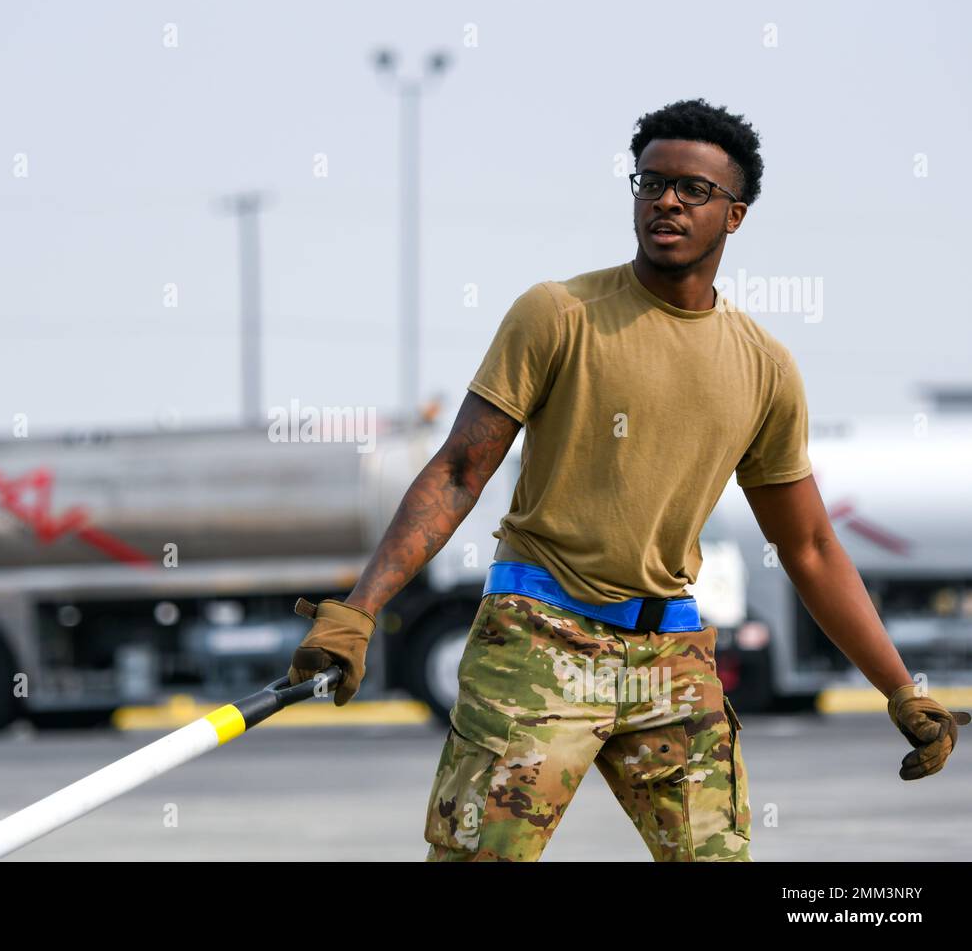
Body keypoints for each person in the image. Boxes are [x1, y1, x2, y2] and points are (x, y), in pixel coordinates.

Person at [286, 97, 969, 861]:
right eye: (650, 183)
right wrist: (359, 612)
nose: (666, 200)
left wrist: (900, 688)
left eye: (694, 190)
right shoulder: (558, 314)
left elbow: (808, 545)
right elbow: (456, 471)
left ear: (735, 215)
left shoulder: (765, 367)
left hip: (670, 653)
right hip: (537, 643)